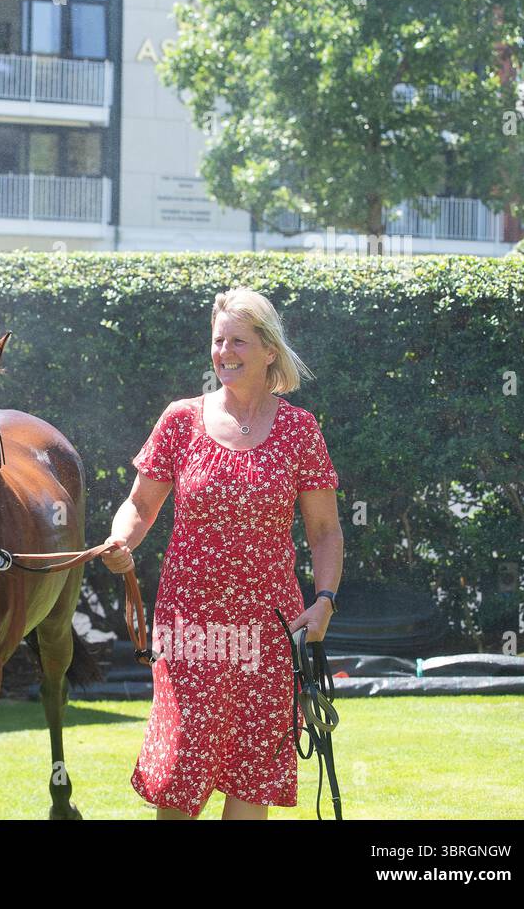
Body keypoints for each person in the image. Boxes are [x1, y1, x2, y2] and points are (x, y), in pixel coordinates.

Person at [101, 287, 344, 820]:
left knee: (253, 777)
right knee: (180, 778)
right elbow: (140, 505)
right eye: (218, 341)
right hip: (189, 630)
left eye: (238, 340)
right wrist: (122, 539)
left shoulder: (300, 431)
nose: (224, 351)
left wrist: (323, 600)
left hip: (269, 629)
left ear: (269, 350)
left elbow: (325, 530)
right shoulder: (180, 419)